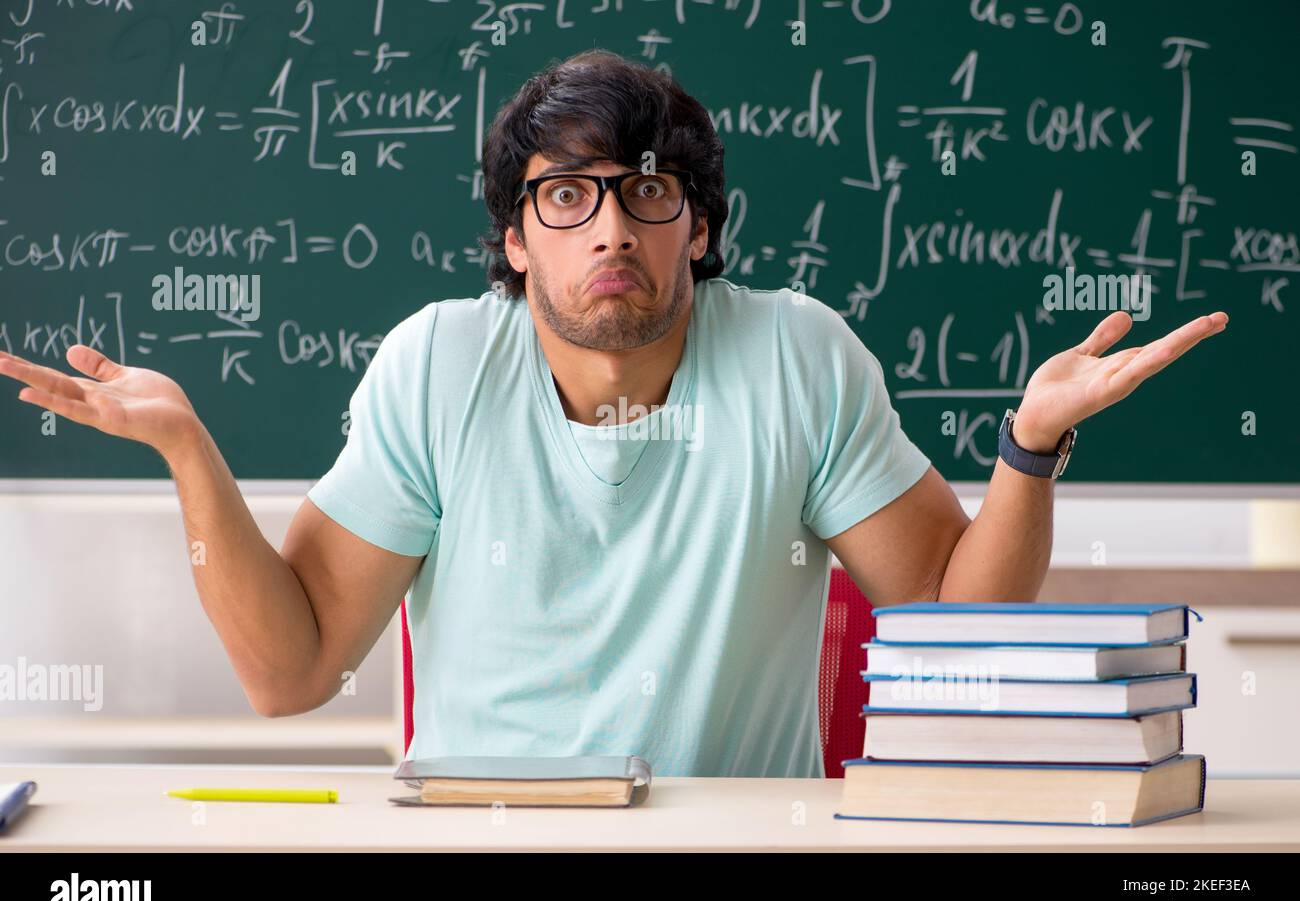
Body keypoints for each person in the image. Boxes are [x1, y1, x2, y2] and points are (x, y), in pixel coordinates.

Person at [0, 50, 1227, 776]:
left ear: (696, 229)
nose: (608, 229)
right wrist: (187, 448)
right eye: (567, 196)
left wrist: (1028, 446)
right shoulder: (437, 363)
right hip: (474, 840)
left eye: (646, 192)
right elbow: (293, 672)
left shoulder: (797, 354)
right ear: (515, 239)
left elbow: (960, 633)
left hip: (745, 850)